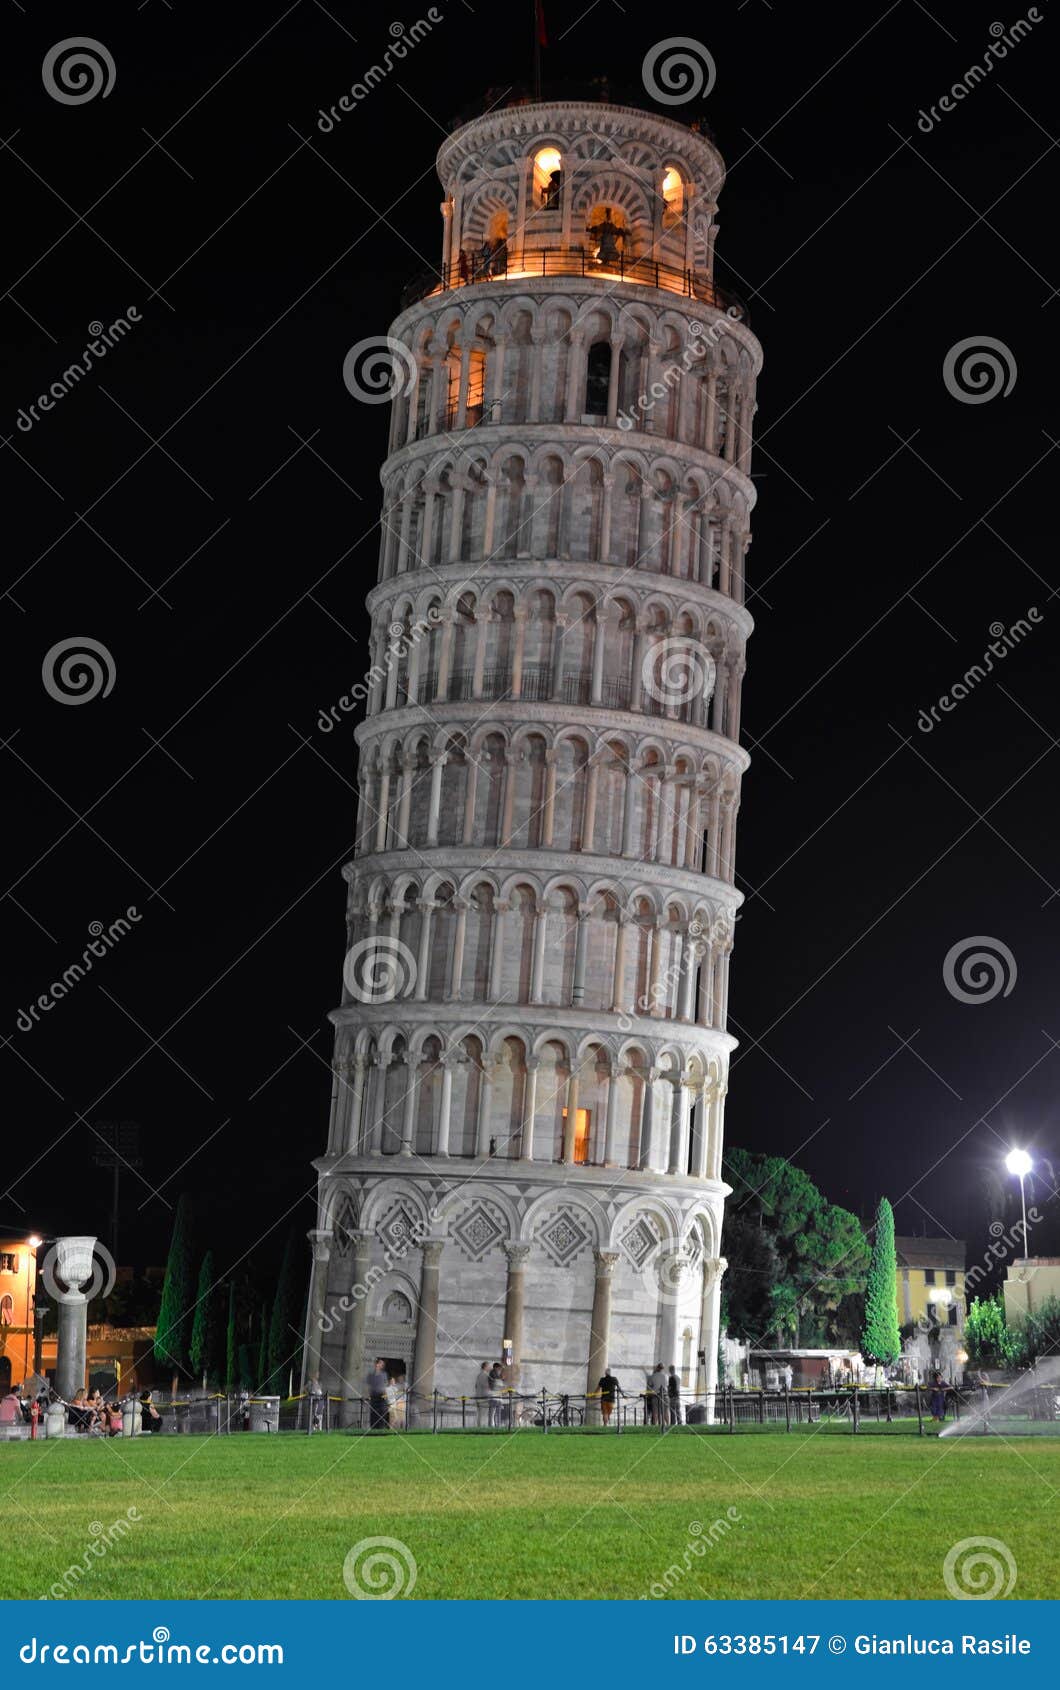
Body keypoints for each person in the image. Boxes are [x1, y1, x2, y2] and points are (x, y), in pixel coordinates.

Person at [366, 1358, 390, 1431]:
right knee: (373, 1414)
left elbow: (385, 1386)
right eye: (379, 1363)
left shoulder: (384, 1374)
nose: (380, 1365)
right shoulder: (370, 1375)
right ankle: (373, 1430)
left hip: (382, 1397)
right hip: (373, 1397)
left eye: (382, 1364)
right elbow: (368, 1386)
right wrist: (367, 1396)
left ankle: (381, 1429)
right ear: (376, 1364)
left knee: (382, 1413)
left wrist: (387, 1399)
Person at [649, 1362, 668, 1427]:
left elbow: (650, 1384)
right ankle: (668, 1425)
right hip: (664, 1395)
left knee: (655, 1412)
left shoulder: (653, 1376)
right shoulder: (666, 1376)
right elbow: (667, 1385)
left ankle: (655, 1426)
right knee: (665, 1412)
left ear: (657, 1368)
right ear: (663, 1368)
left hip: (655, 1396)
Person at [473, 1361, 491, 1428]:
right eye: (489, 1366)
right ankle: (482, 1427)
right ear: (485, 1367)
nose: (490, 1368)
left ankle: (480, 1427)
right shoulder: (484, 1375)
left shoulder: (479, 1375)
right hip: (483, 1397)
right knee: (483, 1414)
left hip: (479, 1397)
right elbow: (487, 1386)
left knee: (480, 1414)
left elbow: (476, 1386)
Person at [488, 1361, 506, 1428]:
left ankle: (497, 1426)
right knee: (492, 1413)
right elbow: (496, 1382)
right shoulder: (493, 1373)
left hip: (498, 1396)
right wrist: (502, 1379)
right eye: (499, 1368)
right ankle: (492, 1426)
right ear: (496, 1367)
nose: (500, 1370)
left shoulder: (497, 1375)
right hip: (494, 1396)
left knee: (498, 1413)